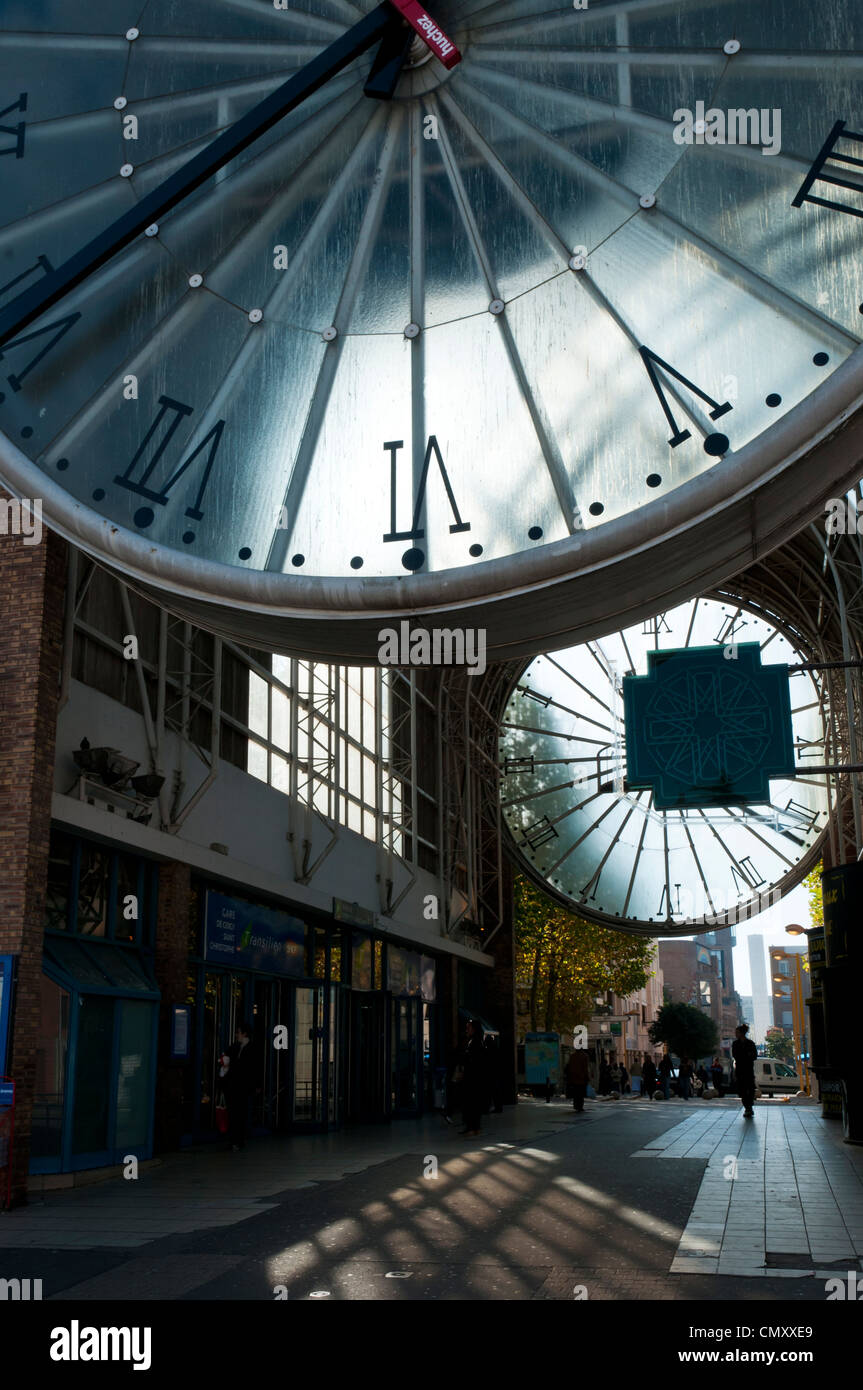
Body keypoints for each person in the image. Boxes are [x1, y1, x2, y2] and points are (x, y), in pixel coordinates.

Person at [224, 1020, 255, 1151]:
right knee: (233, 1113)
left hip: (243, 1086)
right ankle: (233, 1140)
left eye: (238, 1032)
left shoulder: (251, 1048)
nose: (237, 1035)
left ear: (244, 1033)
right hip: (233, 1085)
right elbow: (227, 1057)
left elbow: (253, 1068)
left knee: (240, 1113)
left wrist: (254, 1085)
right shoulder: (234, 1047)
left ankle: (238, 1140)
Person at [459, 1018, 488, 1136]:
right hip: (475, 1077)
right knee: (474, 1103)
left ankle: (472, 1127)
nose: (467, 1030)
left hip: (473, 1078)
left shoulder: (474, 1042)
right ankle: (474, 1127)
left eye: (469, 1028)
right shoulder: (476, 1041)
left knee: (471, 1102)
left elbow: (473, 1060)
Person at [732, 1023, 757, 1117]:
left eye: (737, 1032)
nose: (735, 1034)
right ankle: (747, 1107)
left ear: (742, 1033)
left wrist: (744, 1057)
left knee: (750, 1089)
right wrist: (746, 1056)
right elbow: (735, 1055)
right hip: (739, 1070)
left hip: (748, 1070)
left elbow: (754, 1056)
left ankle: (749, 1107)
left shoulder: (750, 1043)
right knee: (742, 1090)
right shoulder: (735, 1044)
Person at [565, 1048, 590, 1112]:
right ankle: (580, 1106)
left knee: (576, 1093)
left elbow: (569, 1066)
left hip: (573, 1078)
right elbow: (585, 1068)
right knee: (581, 1094)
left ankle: (576, 1105)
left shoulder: (572, 1056)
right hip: (581, 1078)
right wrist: (587, 1077)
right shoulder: (584, 1056)